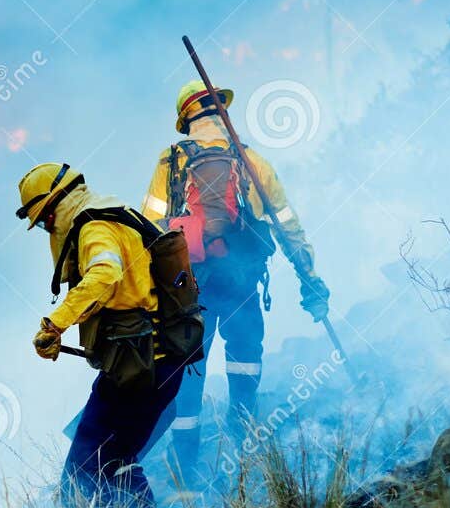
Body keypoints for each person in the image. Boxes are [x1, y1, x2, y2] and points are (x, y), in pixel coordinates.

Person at [140, 80, 328, 480]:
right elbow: (287, 224)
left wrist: (145, 297)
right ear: (218, 111)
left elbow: (149, 230)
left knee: (189, 371)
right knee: (244, 359)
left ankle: (186, 473)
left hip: (189, 289)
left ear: (186, 118)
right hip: (241, 280)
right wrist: (310, 281)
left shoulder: (170, 163)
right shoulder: (251, 161)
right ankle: (241, 444)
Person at [17, 162, 194, 508]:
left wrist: (55, 323)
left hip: (144, 368)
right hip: (150, 365)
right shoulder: (110, 211)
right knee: (108, 461)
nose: (48, 230)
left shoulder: (93, 226)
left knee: (91, 468)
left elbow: (104, 273)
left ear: (54, 208)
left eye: (45, 222)